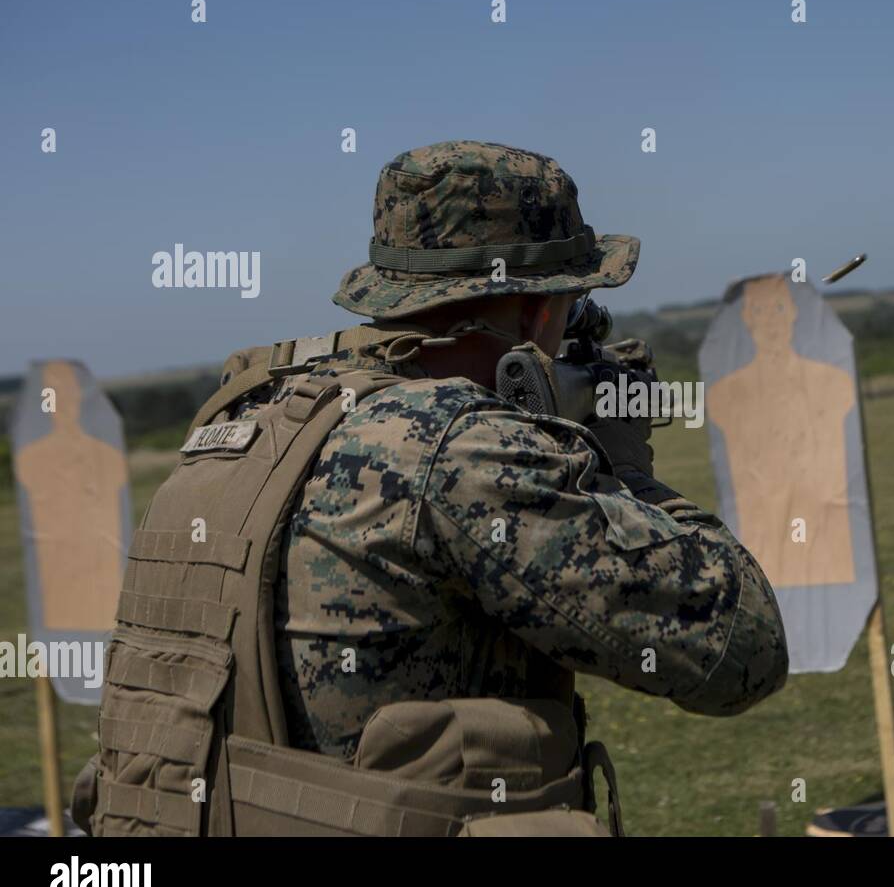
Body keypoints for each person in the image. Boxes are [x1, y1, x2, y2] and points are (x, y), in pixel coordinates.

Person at [76, 141, 787, 837]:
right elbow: (742, 648)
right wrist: (625, 472)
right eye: (573, 307)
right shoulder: (460, 449)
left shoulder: (245, 420)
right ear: (539, 310)